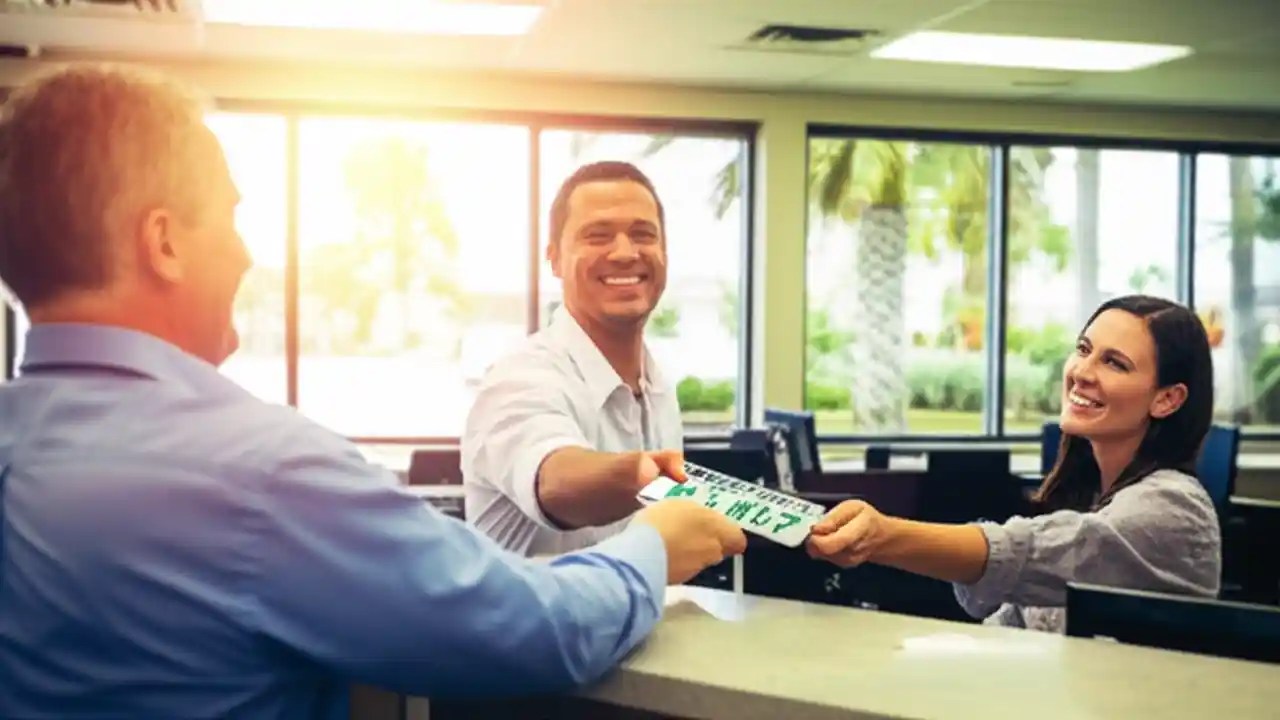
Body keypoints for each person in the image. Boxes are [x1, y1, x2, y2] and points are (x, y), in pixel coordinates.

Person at [0, 63, 747, 718]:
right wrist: (653, 545)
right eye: (230, 217)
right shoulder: (261, 473)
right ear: (162, 242)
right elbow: (527, 629)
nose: (245, 253)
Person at [805, 295, 1221, 633]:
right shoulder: (1091, 497)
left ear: (1167, 399)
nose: (1082, 373)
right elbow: (1008, 625)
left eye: (1114, 363)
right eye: (1083, 350)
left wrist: (883, 536)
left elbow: (1028, 553)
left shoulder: (1174, 509)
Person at [463, 161, 687, 556]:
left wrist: (807, 528)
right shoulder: (520, 377)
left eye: (643, 234)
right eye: (597, 236)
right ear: (554, 259)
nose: (624, 252)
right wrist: (642, 477)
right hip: (535, 620)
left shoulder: (658, 387)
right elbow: (555, 483)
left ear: (664, 253)